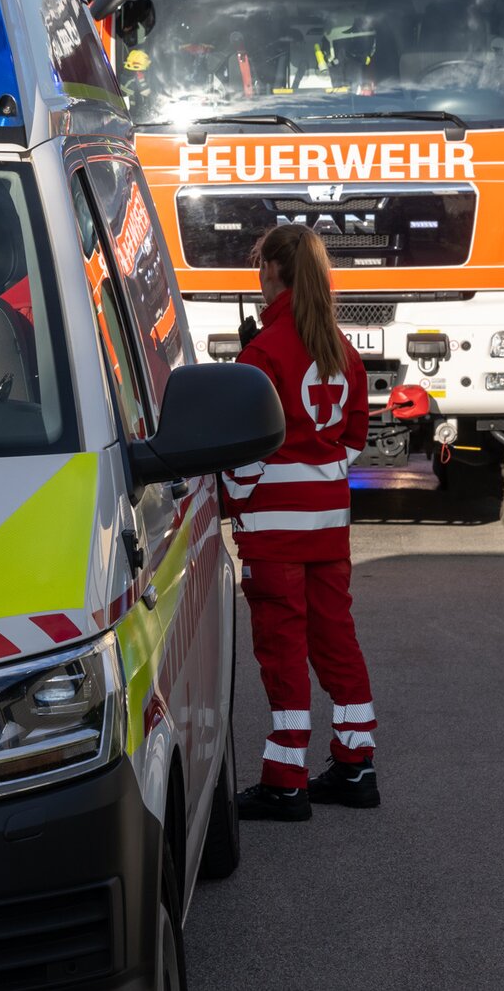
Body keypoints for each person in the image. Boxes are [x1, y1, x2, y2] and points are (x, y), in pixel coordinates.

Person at [224, 223, 378, 821]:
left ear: (272, 271)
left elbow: (245, 453)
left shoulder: (262, 353)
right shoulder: (341, 348)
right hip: (328, 528)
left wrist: (233, 502)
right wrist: (320, 471)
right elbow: (355, 436)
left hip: (274, 534)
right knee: (337, 641)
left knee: (282, 651)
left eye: (259, 266)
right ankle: (356, 764)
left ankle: (286, 781)